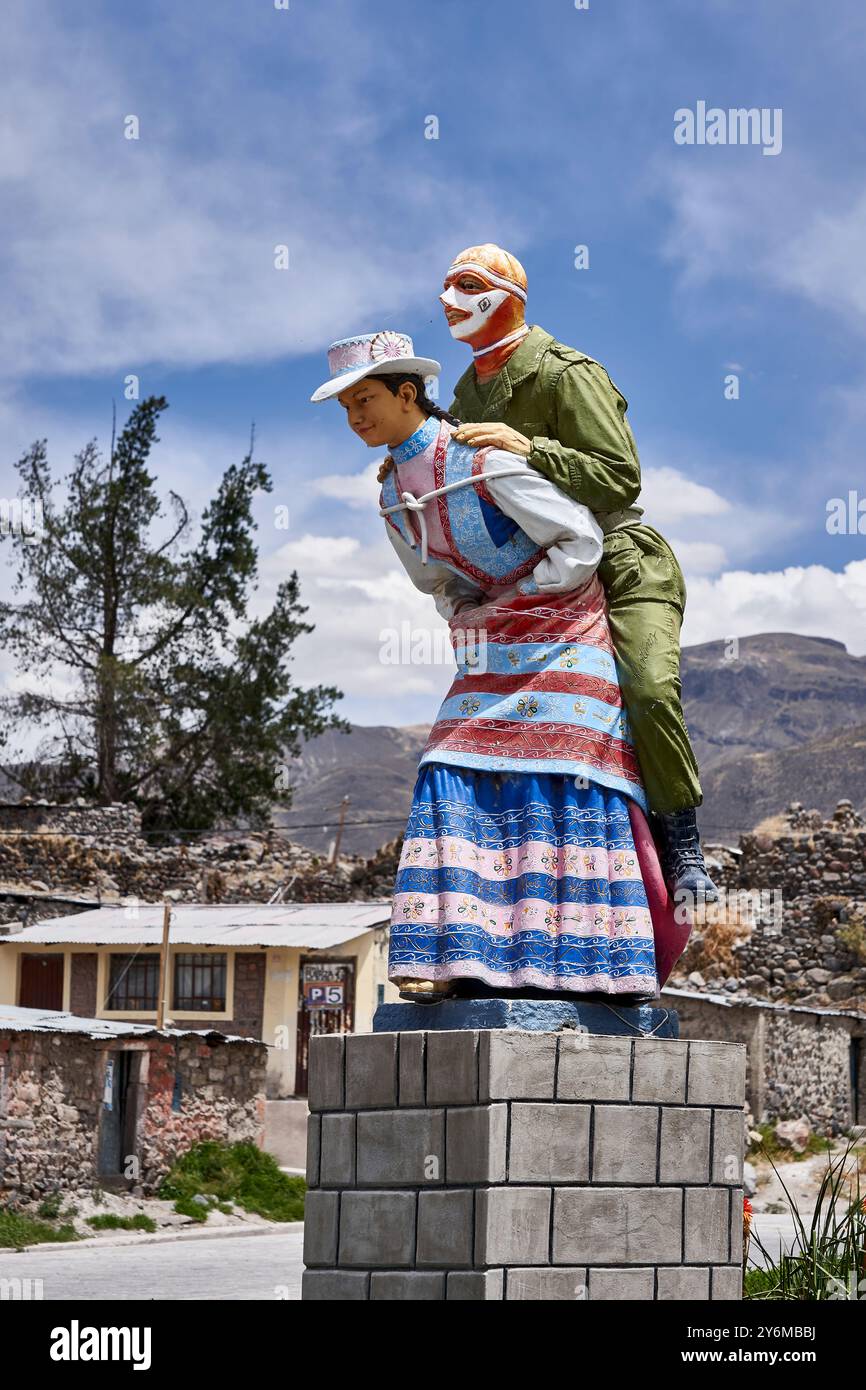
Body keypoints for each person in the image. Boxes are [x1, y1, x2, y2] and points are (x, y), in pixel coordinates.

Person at [311, 330, 689, 1003]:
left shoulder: (480, 462)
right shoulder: (394, 495)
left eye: (363, 400)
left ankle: (593, 964)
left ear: (407, 395)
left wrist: (525, 595)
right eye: (345, 408)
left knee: (563, 765)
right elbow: (435, 580)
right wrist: (470, 609)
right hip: (492, 645)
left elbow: (580, 538)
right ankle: (458, 957)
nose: (355, 418)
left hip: (566, 633)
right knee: (448, 763)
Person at [436, 243, 719, 906]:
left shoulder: (566, 372)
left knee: (647, 687)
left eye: (467, 286)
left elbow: (619, 476)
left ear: (509, 298)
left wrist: (529, 447)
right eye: (445, 289)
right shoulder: (465, 393)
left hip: (618, 559)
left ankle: (683, 846)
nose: (449, 302)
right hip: (535, 577)